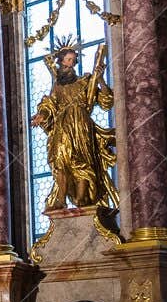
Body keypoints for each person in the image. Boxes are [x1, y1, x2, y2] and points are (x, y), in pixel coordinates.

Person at [30, 40, 118, 211]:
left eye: (73, 59)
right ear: (61, 62)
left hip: (80, 125)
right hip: (62, 127)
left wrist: (99, 79)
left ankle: (81, 199)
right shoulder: (57, 86)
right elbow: (50, 105)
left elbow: (106, 101)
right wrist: (42, 115)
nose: (71, 62)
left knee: (80, 160)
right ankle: (61, 199)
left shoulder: (85, 82)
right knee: (59, 160)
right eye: (68, 59)